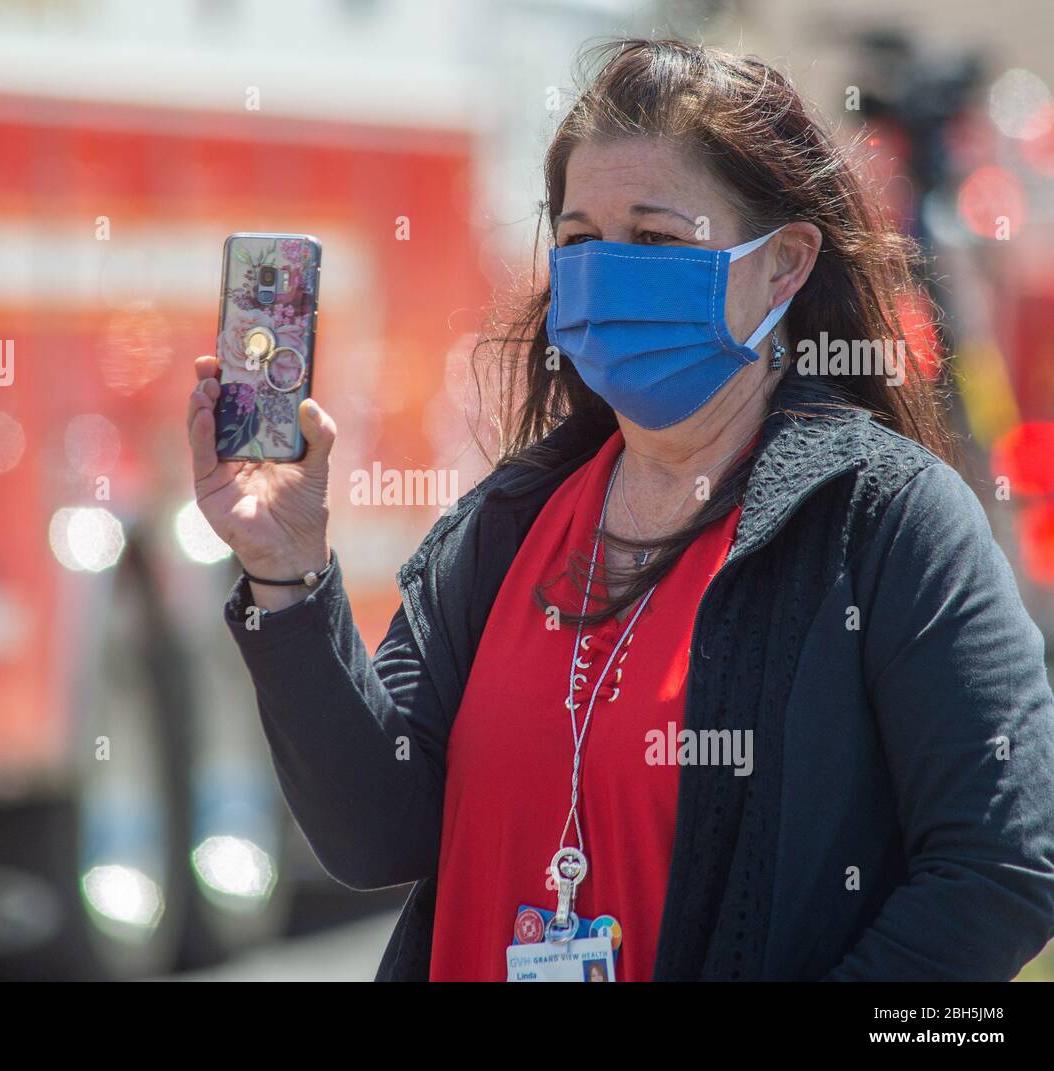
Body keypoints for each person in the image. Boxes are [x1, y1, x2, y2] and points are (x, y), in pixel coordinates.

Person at [186, 38, 1054, 981]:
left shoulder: (888, 522)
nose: (607, 271)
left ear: (785, 265)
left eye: (656, 239)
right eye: (579, 240)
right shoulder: (507, 524)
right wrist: (286, 573)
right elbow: (373, 833)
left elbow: (1003, 868)